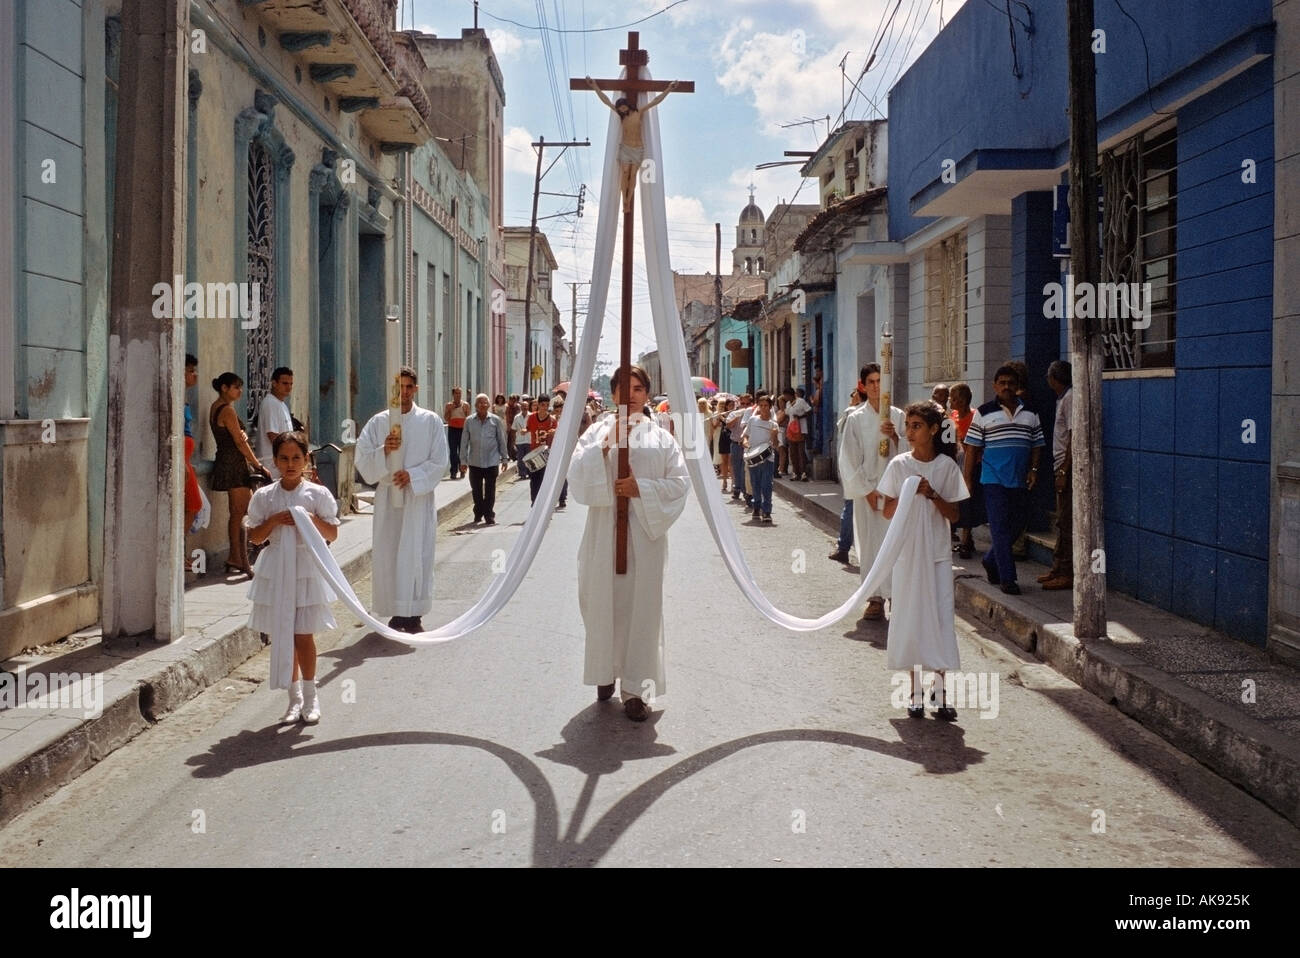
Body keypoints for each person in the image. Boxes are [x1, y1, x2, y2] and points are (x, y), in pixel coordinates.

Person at [568, 364, 689, 721]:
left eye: (638, 388)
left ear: (647, 394)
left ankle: (636, 689)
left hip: (645, 538)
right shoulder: (596, 432)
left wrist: (642, 489)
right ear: (613, 394)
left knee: (642, 610)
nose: (630, 395)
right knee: (600, 602)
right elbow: (576, 478)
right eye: (623, 389)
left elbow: (680, 484)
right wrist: (605, 447)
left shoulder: (661, 438)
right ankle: (605, 672)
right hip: (604, 533)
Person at [877, 402, 969, 720]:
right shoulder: (899, 465)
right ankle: (915, 693)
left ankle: (940, 693)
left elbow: (955, 515)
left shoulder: (946, 467)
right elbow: (886, 510)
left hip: (938, 554)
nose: (910, 431)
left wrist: (932, 495)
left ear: (932, 430)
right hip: (908, 554)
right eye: (909, 425)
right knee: (911, 617)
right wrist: (909, 493)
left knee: (942, 618)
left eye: (917, 426)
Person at [245, 432, 340, 724]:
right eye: (283, 458)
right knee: (283, 632)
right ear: (274, 461)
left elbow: (332, 534)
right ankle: (293, 698)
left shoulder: (317, 494)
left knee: (302, 634)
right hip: (276, 568)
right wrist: (274, 520)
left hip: (305, 567)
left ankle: (312, 696)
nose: (290, 464)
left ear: (306, 459)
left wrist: (310, 520)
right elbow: (256, 537)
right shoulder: (265, 496)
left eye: (296, 457)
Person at [355, 366, 450, 634]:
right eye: (400, 387)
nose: (404, 392)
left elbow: (440, 461)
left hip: (418, 500)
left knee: (417, 552)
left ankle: (414, 614)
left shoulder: (430, 421)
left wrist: (414, 475)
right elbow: (362, 459)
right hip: (389, 499)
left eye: (409, 387)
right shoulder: (378, 422)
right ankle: (397, 612)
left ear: (415, 389)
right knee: (391, 551)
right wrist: (383, 450)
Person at [962, 364, 1044, 596]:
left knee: (1017, 525)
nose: (1006, 387)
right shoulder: (984, 412)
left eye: (1011, 383)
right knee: (999, 527)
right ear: (995, 386)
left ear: (1017, 387)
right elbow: (971, 448)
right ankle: (1008, 579)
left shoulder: (1031, 412)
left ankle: (990, 559)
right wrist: (967, 479)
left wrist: (1034, 469)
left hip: (1019, 479)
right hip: (993, 479)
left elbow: (1037, 444)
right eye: (1002, 383)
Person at [838, 363, 906, 620]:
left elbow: (911, 453)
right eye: (872, 382)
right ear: (863, 386)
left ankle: (896, 596)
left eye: (880, 381)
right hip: (868, 492)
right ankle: (874, 598)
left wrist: (896, 437)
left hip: (894, 493)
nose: (877, 386)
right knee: (869, 546)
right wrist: (866, 491)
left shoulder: (898, 416)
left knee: (894, 544)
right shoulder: (856, 418)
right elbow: (848, 458)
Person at [586, 76, 681, 212]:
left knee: (633, 176)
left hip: (637, 148)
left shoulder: (639, 112)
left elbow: (655, 101)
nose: (622, 109)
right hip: (625, 148)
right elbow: (606, 101)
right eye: (620, 108)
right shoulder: (621, 116)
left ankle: (628, 201)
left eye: (623, 106)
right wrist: (594, 86)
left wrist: (669, 89)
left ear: (627, 105)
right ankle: (624, 199)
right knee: (625, 173)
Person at [209, 372, 269, 577]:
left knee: (237, 512)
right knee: (242, 513)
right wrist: (258, 465)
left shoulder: (216, 407)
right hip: (234, 464)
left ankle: (236, 556)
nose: (240, 391)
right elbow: (240, 442)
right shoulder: (226, 411)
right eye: (236, 387)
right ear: (224, 388)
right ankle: (238, 557)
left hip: (226, 461)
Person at [1039, 361, 1073, 591]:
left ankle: (1066, 571)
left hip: (1066, 467)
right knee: (1061, 520)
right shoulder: (1062, 398)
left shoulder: (1070, 398)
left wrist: (1064, 469)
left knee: (1066, 521)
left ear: (1054, 378)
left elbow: (1073, 435)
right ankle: (1058, 568)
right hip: (1059, 465)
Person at [460, 393, 510, 525]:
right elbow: (464, 442)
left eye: (485, 402)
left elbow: (501, 440)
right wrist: (463, 461)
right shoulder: (469, 421)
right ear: (476, 406)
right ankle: (478, 512)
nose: (482, 405)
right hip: (475, 462)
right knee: (476, 490)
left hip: (492, 461)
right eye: (480, 403)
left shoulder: (495, 420)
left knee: (490, 490)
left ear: (489, 405)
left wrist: (504, 458)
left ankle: (489, 515)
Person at [828, 388, 864, 563]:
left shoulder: (851, 412)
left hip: (855, 467)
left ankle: (843, 548)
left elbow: (840, 428)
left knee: (850, 508)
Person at [948, 382, 981, 559]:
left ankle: (966, 541)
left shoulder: (974, 417)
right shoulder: (952, 416)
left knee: (968, 503)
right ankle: (966, 540)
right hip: (956, 464)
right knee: (958, 503)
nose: (950, 401)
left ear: (962, 400)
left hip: (971, 464)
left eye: (953, 398)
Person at [742, 394, 779, 523]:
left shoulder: (773, 424)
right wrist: (745, 442)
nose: (763, 408)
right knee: (755, 484)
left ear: (770, 407)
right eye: (761, 405)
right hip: (753, 456)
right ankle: (756, 507)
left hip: (768, 459)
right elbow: (745, 436)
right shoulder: (753, 420)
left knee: (766, 485)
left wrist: (774, 435)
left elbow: (775, 445)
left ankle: (767, 511)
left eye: (766, 406)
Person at [256, 367, 295, 481]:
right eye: (284, 383)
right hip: (273, 466)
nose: (288, 387)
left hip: (283, 463)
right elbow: (273, 436)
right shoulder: (270, 403)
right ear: (274, 383)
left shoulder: (281, 404)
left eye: (291, 384)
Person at [183, 354, 202, 533]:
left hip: (186, 459)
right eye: (190, 371)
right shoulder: (177, 398)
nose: (194, 375)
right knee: (192, 505)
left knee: (193, 505)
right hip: (182, 459)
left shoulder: (184, 396)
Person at [526, 395, 557, 505]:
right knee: (534, 479)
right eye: (543, 405)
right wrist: (524, 430)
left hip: (547, 453)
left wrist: (554, 432)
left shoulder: (552, 420)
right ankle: (534, 501)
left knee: (545, 479)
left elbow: (557, 435)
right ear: (538, 405)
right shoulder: (532, 418)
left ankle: (545, 503)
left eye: (547, 405)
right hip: (534, 452)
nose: (545, 407)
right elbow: (529, 428)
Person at [726, 394, 753, 505]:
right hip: (736, 444)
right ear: (739, 403)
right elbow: (728, 426)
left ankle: (746, 491)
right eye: (743, 404)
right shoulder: (734, 413)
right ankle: (737, 488)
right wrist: (738, 416)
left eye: (747, 404)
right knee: (737, 468)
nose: (745, 406)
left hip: (748, 445)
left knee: (745, 469)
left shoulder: (753, 413)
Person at [783, 386, 812, 481]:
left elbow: (809, 411)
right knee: (793, 453)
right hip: (791, 430)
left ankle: (803, 473)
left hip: (801, 429)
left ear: (790, 394)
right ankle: (795, 473)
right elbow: (787, 415)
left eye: (786, 395)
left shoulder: (801, 401)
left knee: (800, 452)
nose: (785, 398)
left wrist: (800, 417)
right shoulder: (788, 404)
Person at [444, 387, 470, 481]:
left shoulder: (465, 404)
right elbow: (446, 418)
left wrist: (465, 411)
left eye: (459, 393)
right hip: (452, 429)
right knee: (453, 452)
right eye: (456, 393)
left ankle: (462, 469)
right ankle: (453, 471)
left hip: (462, 429)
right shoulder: (449, 405)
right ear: (453, 394)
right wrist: (450, 410)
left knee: (462, 451)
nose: (458, 395)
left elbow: (468, 418)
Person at [512, 396, 533, 480]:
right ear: (520, 407)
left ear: (528, 407)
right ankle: (522, 473)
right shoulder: (517, 417)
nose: (524, 408)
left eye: (526, 406)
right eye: (523, 406)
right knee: (520, 458)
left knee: (529, 457)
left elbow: (533, 427)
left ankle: (530, 472)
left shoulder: (532, 416)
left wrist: (527, 431)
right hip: (519, 441)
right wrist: (513, 441)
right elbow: (513, 429)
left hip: (529, 440)